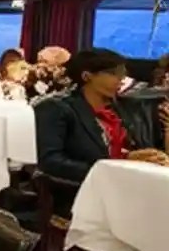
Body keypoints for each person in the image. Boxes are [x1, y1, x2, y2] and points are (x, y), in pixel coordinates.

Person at [35, 48, 168, 184]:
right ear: (87, 76)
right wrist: (116, 166)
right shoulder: (57, 108)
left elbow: (128, 150)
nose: (121, 79)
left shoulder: (122, 107)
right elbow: (51, 162)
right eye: (114, 74)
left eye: (122, 73)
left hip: (131, 180)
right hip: (86, 188)